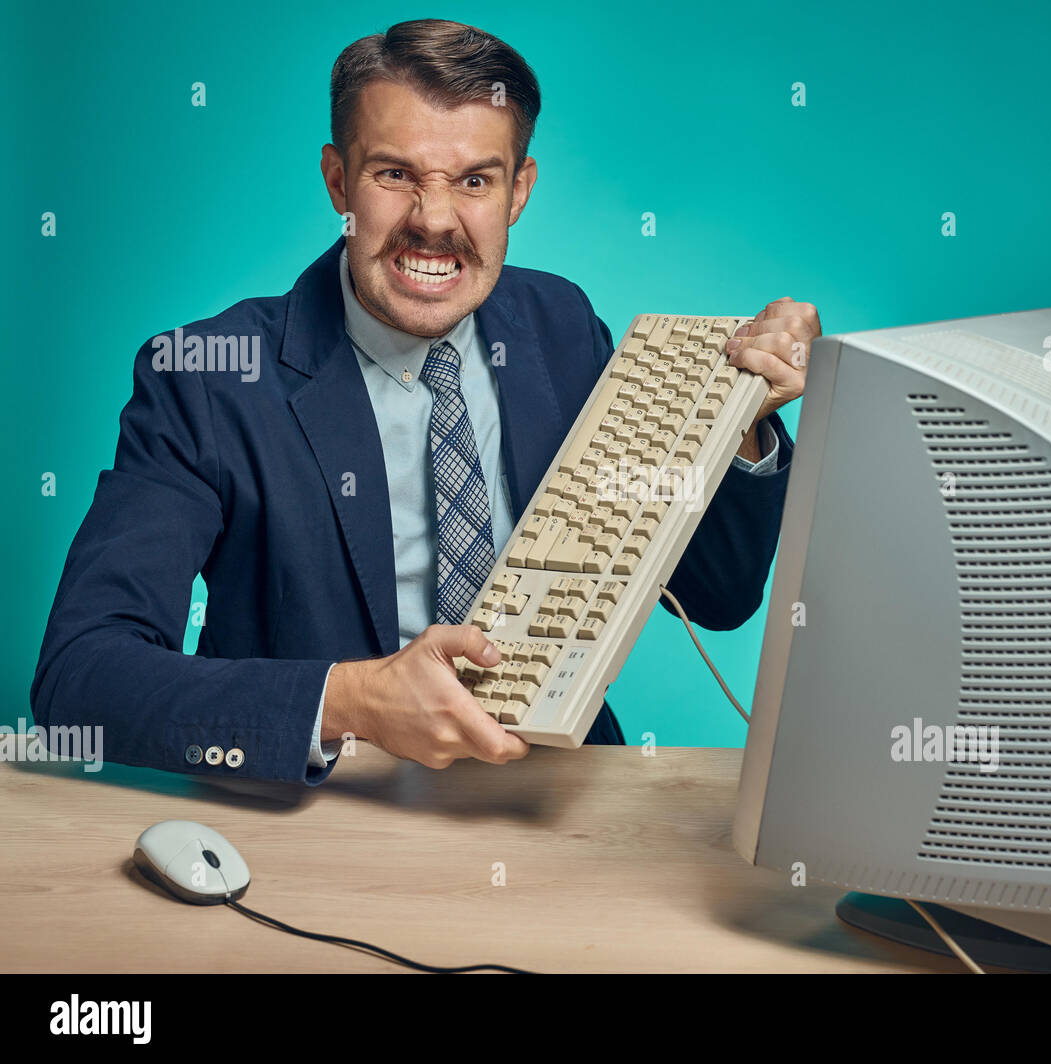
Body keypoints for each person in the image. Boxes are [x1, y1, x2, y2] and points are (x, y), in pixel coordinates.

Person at [31, 18, 821, 784]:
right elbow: (82, 676)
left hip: (561, 797)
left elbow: (716, 597)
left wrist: (743, 416)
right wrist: (351, 699)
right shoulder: (206, 380)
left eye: (475, 180)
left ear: (518, 191)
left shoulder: (561, 327)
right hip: (326, 815)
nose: (434, 222)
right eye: (395, 174)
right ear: (339, 180)